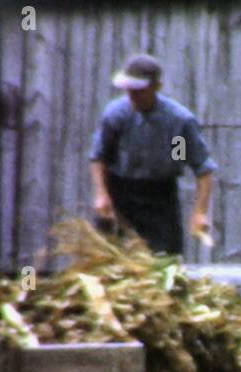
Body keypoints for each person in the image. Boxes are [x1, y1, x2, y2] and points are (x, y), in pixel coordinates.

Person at [88, 53, 217, 255]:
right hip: (120, 193)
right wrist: (102, 195)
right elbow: (99, 156)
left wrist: (200, 212)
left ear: (156, 87)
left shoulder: (178, 121)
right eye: (129, 90)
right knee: (109, 258)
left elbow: (203, 169)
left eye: (139, 91)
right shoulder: (116, 114)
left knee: (163, 259)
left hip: (160, 198)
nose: (133, 96)